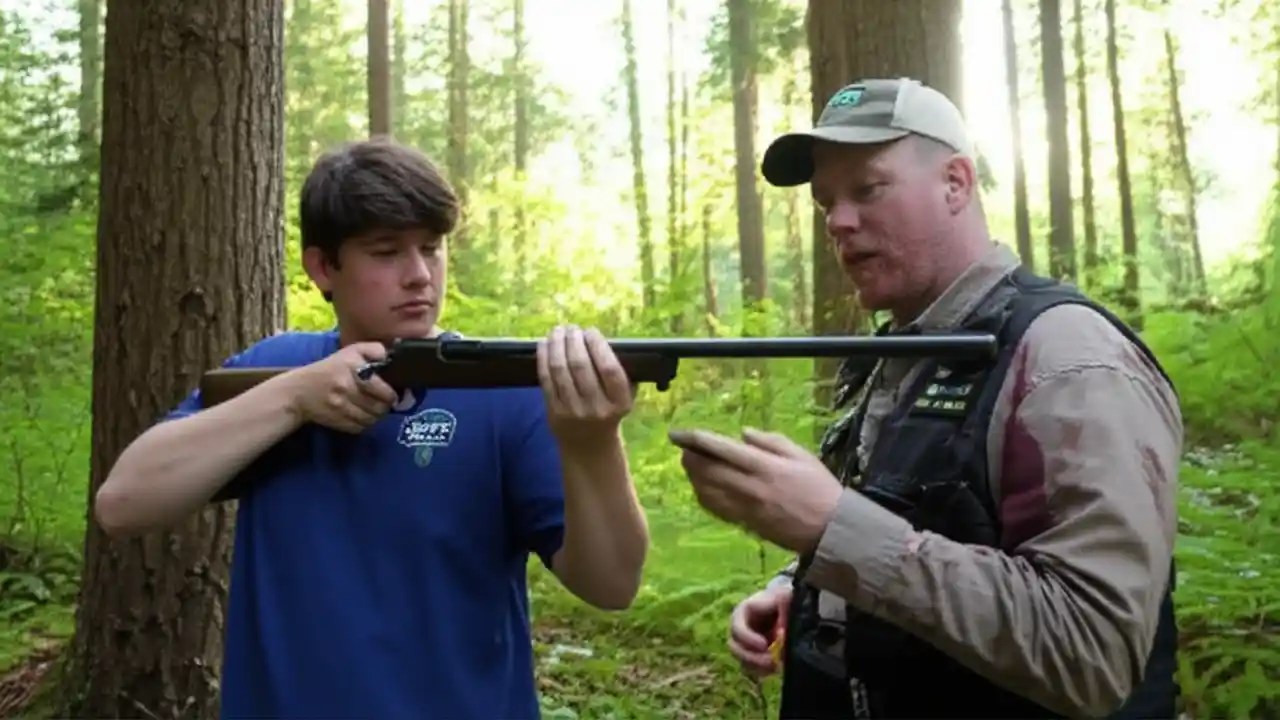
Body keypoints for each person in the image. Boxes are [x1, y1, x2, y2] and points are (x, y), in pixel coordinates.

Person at [669, 77, 1181, 719]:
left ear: (956, 183)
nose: (838, 221)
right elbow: (918, 530)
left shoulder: (1067, 357)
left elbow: (1092, 650)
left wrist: (831, 528)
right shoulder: (907, 351)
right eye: (826, 200)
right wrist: (802, 593)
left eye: (868, 188)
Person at [93, 137, 650, 719]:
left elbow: (612, 585)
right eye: (386, 252)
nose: (419, 276)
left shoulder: (503, 394)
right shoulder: (280, 369)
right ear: (322, 267)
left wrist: (593, 444)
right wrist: (296, 399)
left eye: (431, 249)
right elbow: (123, 503)